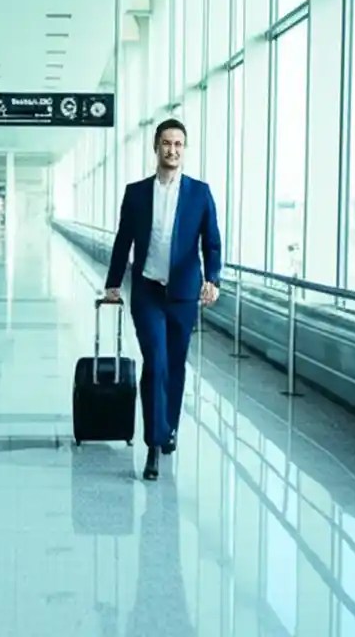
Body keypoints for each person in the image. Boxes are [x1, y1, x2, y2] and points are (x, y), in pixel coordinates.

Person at [103, 118, 222, 481]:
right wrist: (112, 284)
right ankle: (154, 444)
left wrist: (213, 279)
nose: (172, 150)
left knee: (175, 365)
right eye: (167, 143)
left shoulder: (199, 193)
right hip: (148, 292)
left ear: (184, 150)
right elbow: (124, 240)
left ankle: (168, 427)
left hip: (184, 294)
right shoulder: (137, 193)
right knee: (155, 361)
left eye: (179, 144)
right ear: (156, 147)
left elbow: (212, 243)